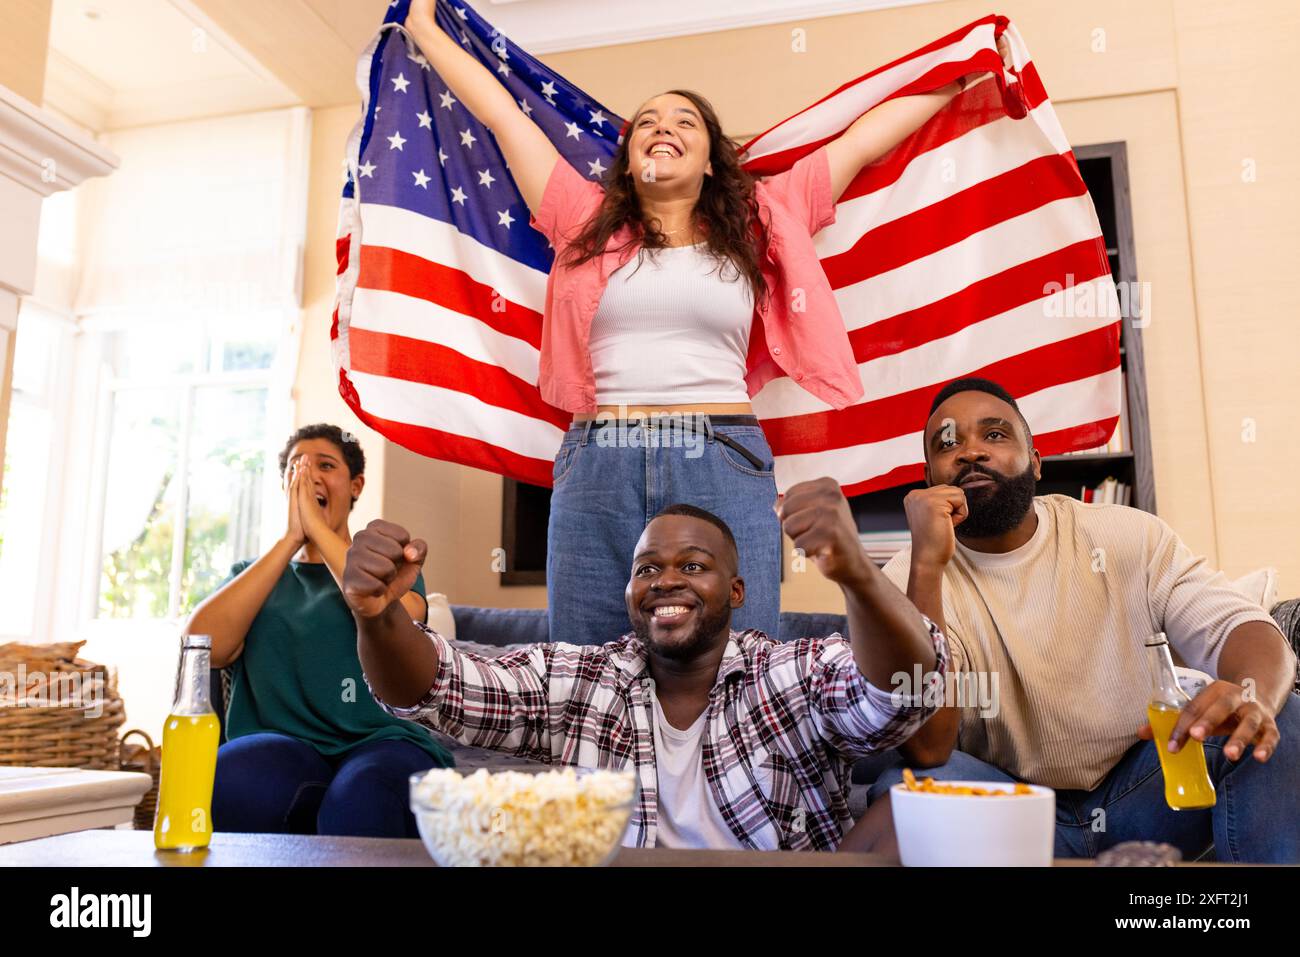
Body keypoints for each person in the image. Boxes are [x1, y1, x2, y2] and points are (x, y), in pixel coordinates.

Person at [402, 0, 1013, 646]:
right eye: (647, 123)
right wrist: (421, 27)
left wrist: (962, 72)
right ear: (627, 156)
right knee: (582, 666)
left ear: (712, 161)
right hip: (598, 461)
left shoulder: (763, 218)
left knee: (739, 659)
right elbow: (501, 115)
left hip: (718, 453)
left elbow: (859, 143)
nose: (663, 127)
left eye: (684, 120)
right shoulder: (579, 218)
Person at [342, 476, 949, 850]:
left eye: (692, 566)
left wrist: (858, 577)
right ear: (628, 593)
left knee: (912, 812)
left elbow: (903, 694)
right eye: (647, 569)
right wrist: (378, 615)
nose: (666, 581)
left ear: (737, 592)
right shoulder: (583, 681)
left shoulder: (785, 672)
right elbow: (440, 689)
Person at [841, 378, 1300, 863]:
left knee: (1275, 714)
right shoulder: (908, 576)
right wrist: (928, 566)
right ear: (930, 478)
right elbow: (928, 747)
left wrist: (1253, 696)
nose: (971, 452)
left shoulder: (1124, 534)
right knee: (908, 788)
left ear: (1036, 463)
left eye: (994, 435)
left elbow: (1238, 625)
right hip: (1013, 810)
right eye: (948, 444)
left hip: (1145, 795)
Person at [187, 424, 452, 838]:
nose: (310, 477)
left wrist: (320, 530)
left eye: (325, 466)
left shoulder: (392, 567)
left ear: (356, 485)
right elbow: (204, 647)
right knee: (234, 779)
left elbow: (399, 620)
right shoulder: (251, 577)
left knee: (362, 800)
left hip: (383, 742)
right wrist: (293, 538)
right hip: (280, 745)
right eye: (297, 469)